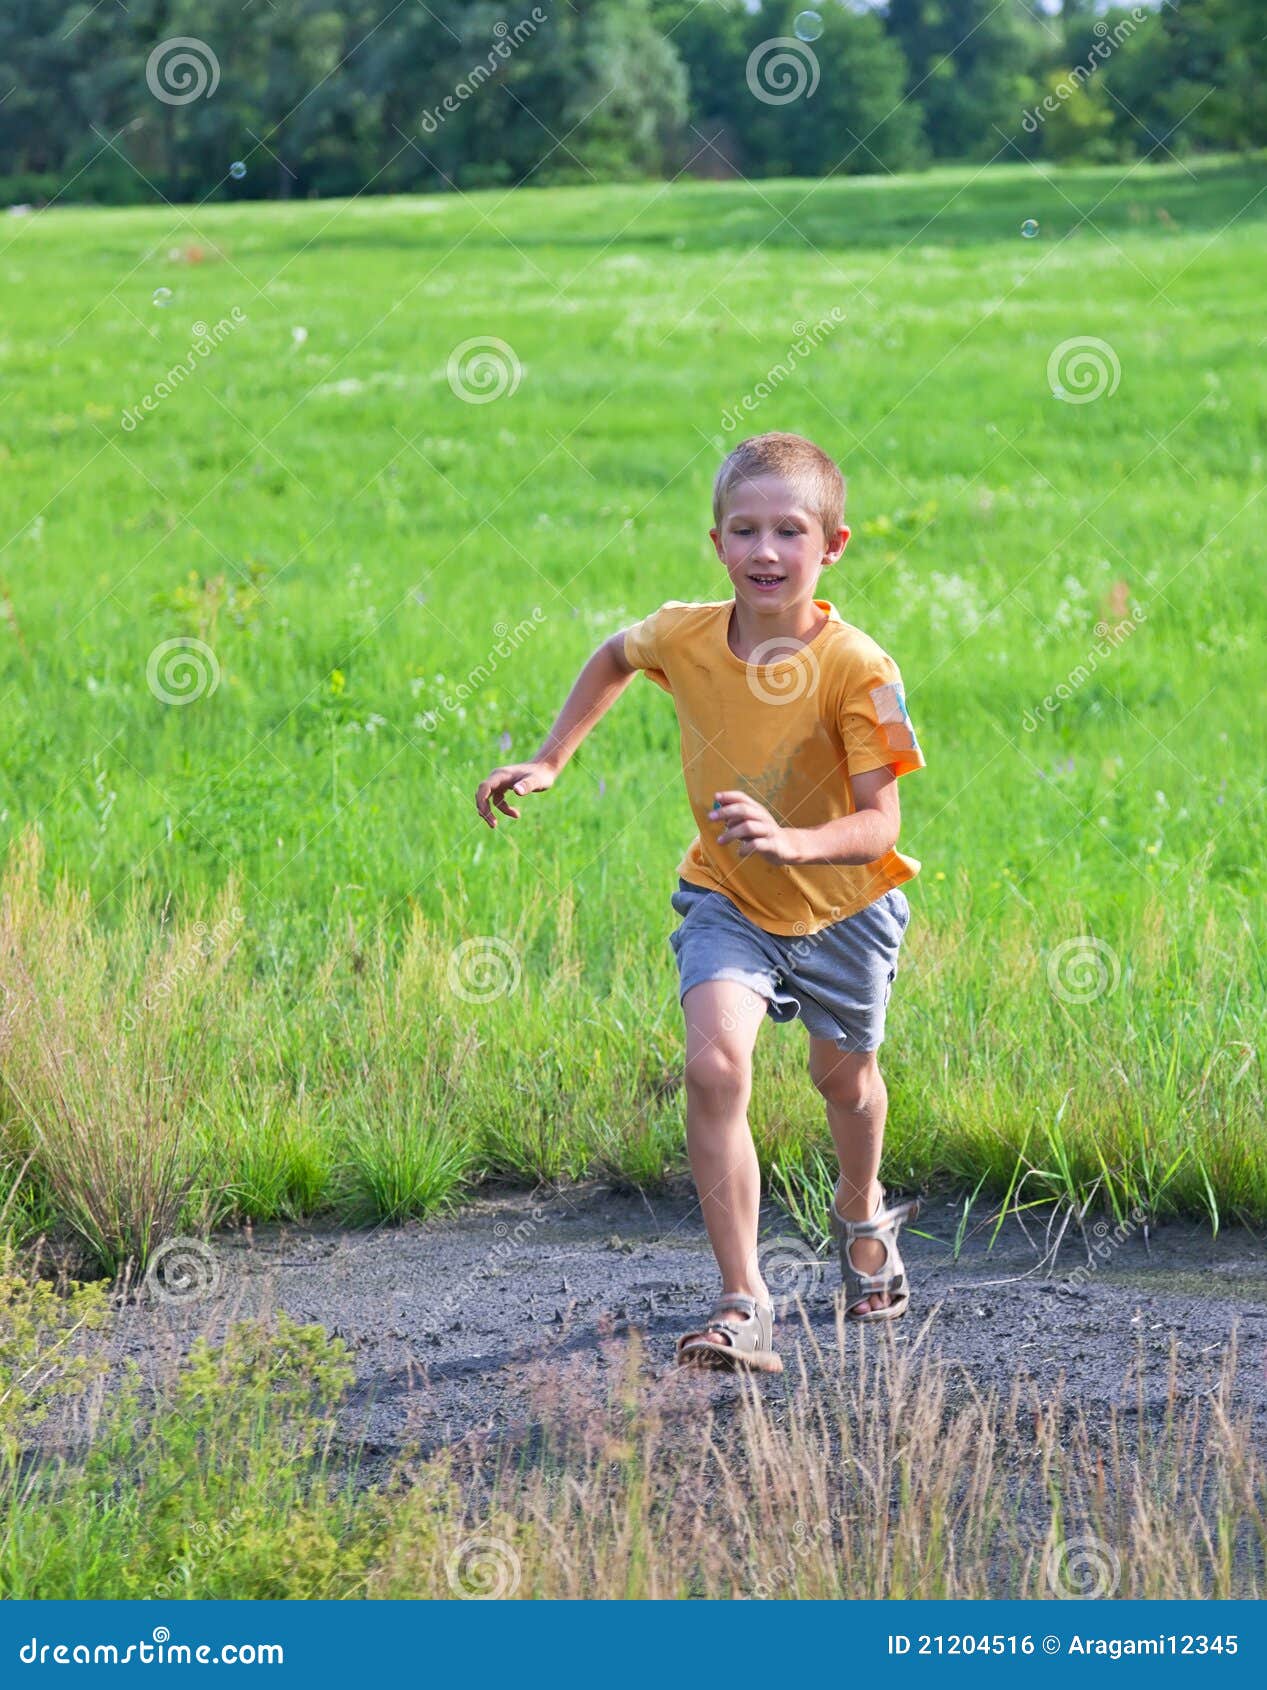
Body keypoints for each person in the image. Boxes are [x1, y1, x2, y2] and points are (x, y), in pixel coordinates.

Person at [475, 431, 925, 1374]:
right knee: (714, 1068)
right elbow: (613, 654)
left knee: (843, 1083)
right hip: (727, 897)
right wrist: (551, 759)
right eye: (744, 530)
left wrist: (793, 839)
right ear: (716, 542)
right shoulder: (684, 633)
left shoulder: (860, 669)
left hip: (844, 908)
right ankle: (744, 1303)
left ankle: (858, 1206)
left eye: (789, 532)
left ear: (831, 545)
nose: (766, 551)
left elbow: (880, 825)